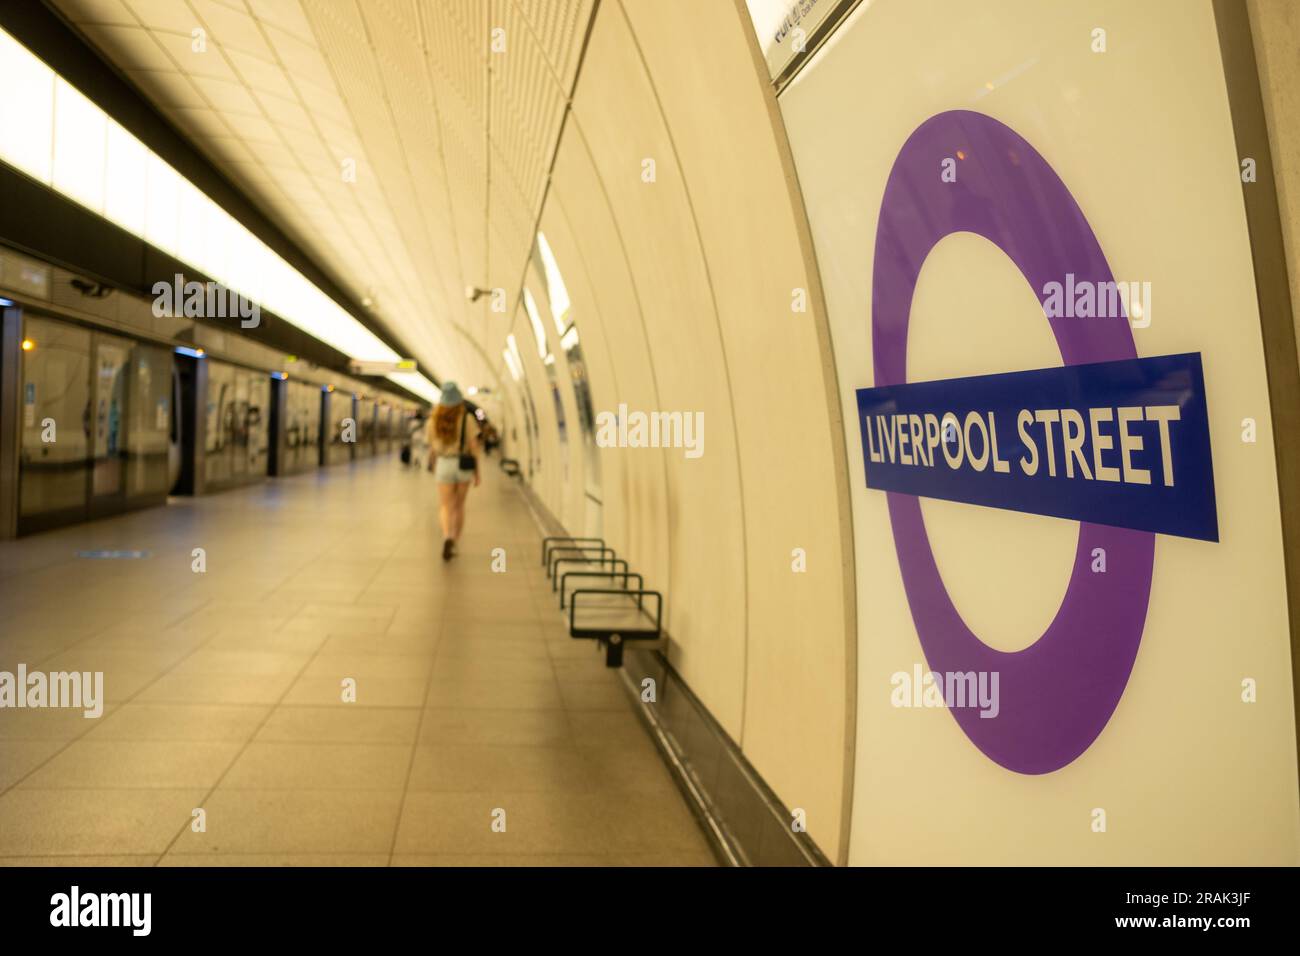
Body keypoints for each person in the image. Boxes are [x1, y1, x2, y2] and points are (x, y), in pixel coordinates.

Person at [426, 382, 480, 560]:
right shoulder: (467, 419)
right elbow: (474, 447)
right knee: (459, 505)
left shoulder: (433, 421)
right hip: (463, 464)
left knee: (445, 506)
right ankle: (455, 541)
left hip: (444, 464)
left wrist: (432, 464)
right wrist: (477, 472)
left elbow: (432, 447)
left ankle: (447, 537)